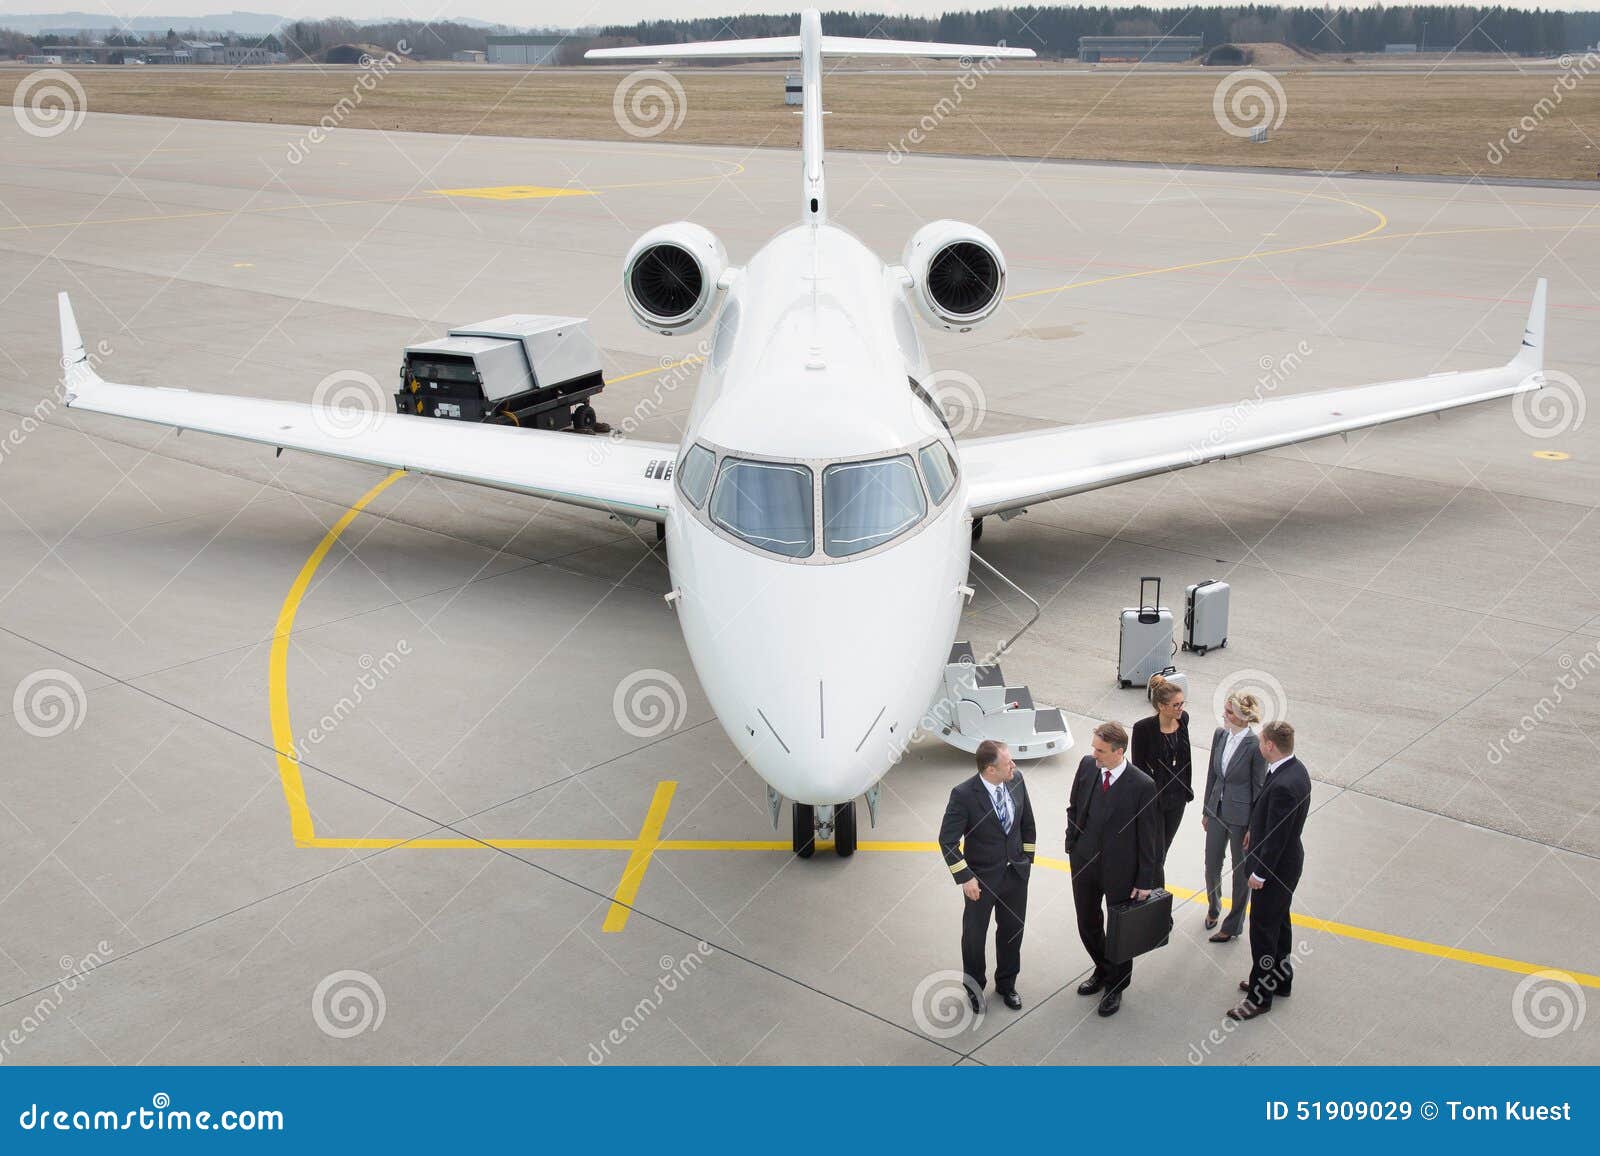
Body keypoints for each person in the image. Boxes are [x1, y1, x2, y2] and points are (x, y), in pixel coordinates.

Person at [1065, 721, 1161, 1018]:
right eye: (1094, 748)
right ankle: (1103, 968)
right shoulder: (1087, 766)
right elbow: (1074, 806)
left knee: (1120, 933)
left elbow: (1149, 838)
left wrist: (1145, 880)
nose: (1094, 754)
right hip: (1084, 862)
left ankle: (1116, 985)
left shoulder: (1142, 785)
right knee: (1087, 922)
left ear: (1119, 752)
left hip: (1122, 871)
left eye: (1101, 750)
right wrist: (1072, 843)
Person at [938, 739, 1036, 1012]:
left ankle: (1007, 984)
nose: (1013, 765)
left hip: (1015, 875)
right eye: (1008, 762)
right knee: (974, 936)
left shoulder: (1017, 780)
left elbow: (1028, 824)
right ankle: (974, 988)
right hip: (980, 881)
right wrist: (965, 877)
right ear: (990, 769)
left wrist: (1027, 861)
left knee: (1012, 932)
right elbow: (947, 841)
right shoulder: (964, 794)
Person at [1228, 721, 1311, 1021]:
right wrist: (1256, 829)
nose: (1260, 745)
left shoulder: (1284, 786)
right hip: (1287, 865)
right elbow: (1275, 823)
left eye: (1262, 741)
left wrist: (1259, 873)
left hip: (1274, 871)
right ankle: (1281, 980)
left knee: (1263, 932)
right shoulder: (1295, 770)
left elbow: (1277, 837)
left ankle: (1259, 997)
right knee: (1280, 924)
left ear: (1270, 745)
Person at [1201, 690, 1267, 943]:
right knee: (1211, 865)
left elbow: (1258, 788)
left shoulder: (1255, 746)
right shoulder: (1220, 735)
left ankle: (1233, 925)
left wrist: (1253, 827)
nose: (1224, 715)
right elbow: (1212, 775)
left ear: (1243, 717)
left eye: (1229, 712)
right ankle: (1213, 907)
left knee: (1240, 873)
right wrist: (1207, 810)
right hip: (1217, 811)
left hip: (1241, 817)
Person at [1130, 674, 1192, 888]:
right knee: (1155, 854)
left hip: (1178, 798)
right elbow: (1138, 767)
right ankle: (1157, 898)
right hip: (1154, 800)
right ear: (1161, 706)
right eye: (1176, 705)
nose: (1181, 708)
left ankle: (1150, 889)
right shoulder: (1143, 729)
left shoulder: (1183, 720)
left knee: (1162, 851)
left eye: (1182, 703)